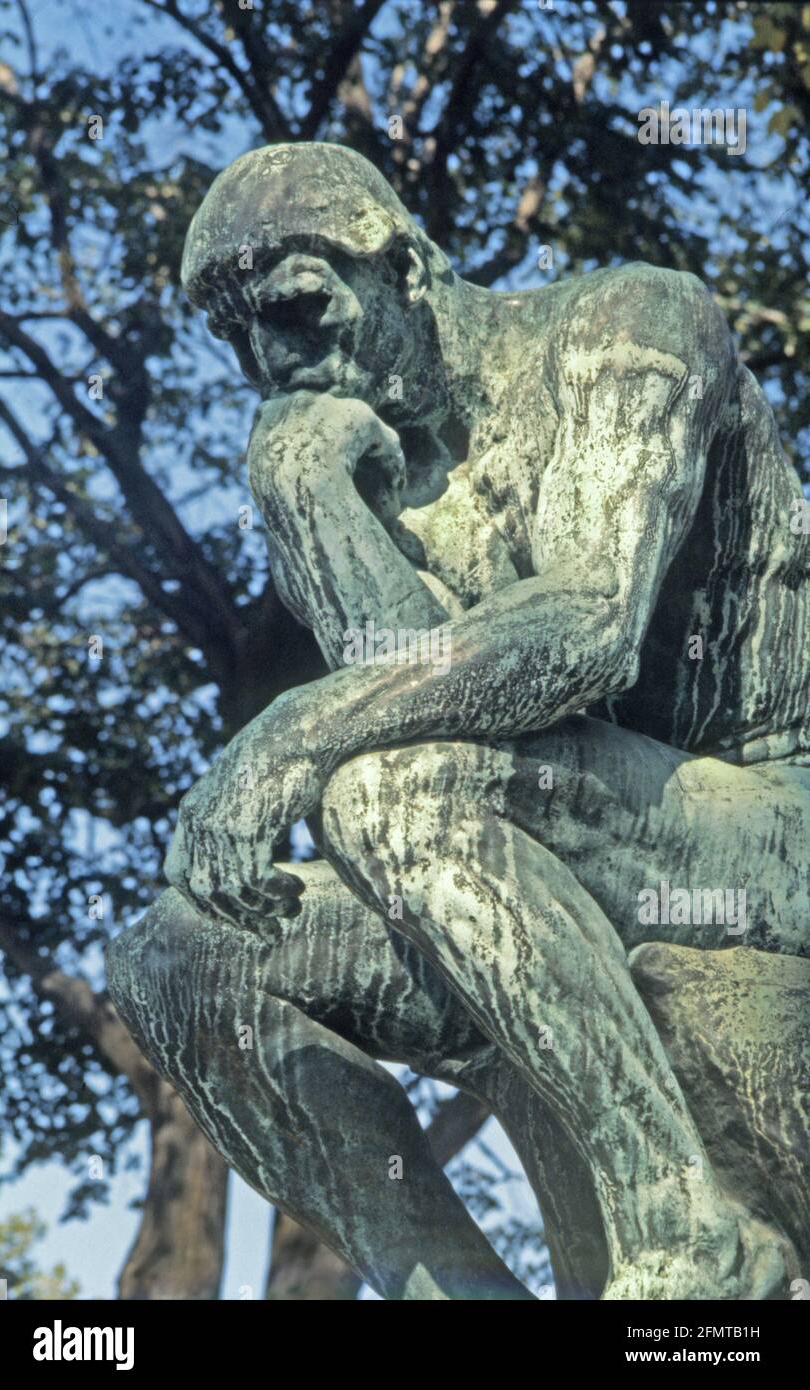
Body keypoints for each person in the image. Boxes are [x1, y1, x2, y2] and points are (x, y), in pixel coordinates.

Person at [107, 143, 809, 1300]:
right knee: (176, 956)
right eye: (239, 342)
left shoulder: (627, 327)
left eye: (295, 308)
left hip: (758, 824)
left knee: (382, 789)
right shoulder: (365, 455)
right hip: (543, 839)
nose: (276, 363)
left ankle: (688, 1232)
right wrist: (311, 502)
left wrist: (284, 736)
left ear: (405, 266)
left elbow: (586, 627)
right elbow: (404, 696)